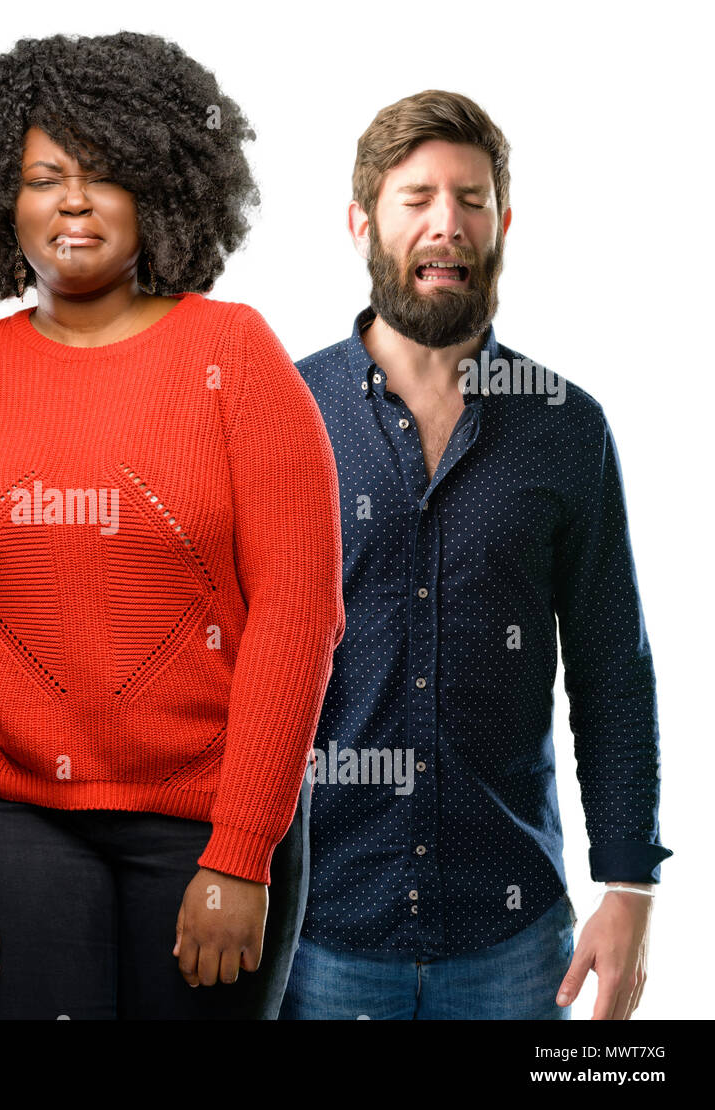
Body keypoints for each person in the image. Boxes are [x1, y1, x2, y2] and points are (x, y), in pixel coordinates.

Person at [0, 31, 345, 1020]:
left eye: (104, 176)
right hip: (8, 819)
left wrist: (243, 850)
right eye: (44, 177)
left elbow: (296, 620)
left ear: (161, 193)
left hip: (206, 822)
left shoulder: (237, 357)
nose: (73, 201)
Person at [281, 90, 671, 1020]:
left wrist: (630, 890)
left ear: (504, 222)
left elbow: (615, 671)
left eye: (471, 199)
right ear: (361, 221)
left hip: (514, 943)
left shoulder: (567, 427)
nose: (445, 225)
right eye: (415, 199)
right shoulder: (283, 419)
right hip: (317, 929)